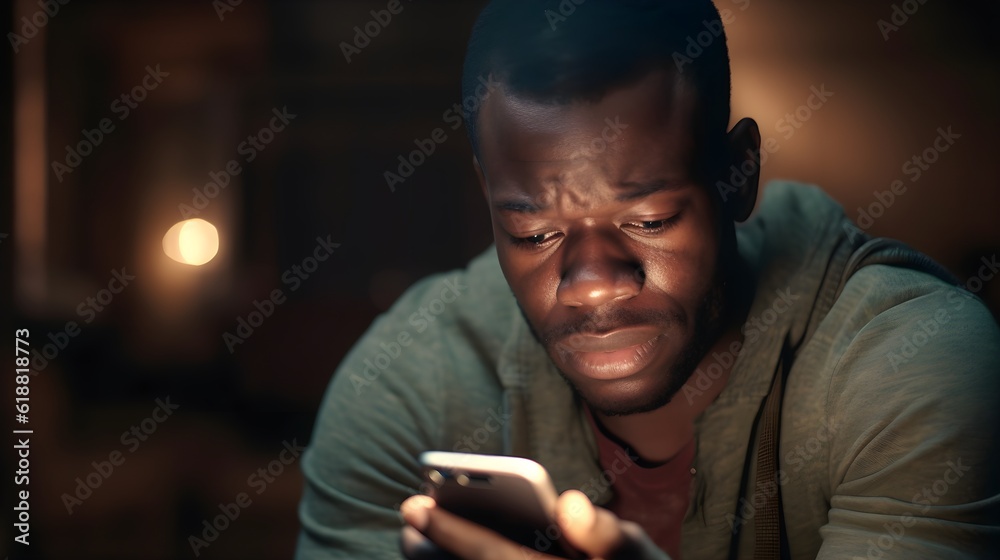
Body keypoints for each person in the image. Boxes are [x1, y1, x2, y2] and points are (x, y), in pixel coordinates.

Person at [295, 1, 1000, 558]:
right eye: (534, 233)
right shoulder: (412, 378)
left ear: (738, 176)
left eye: (651, 219)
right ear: (488, 201)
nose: (594, 283)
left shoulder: (912, 364)